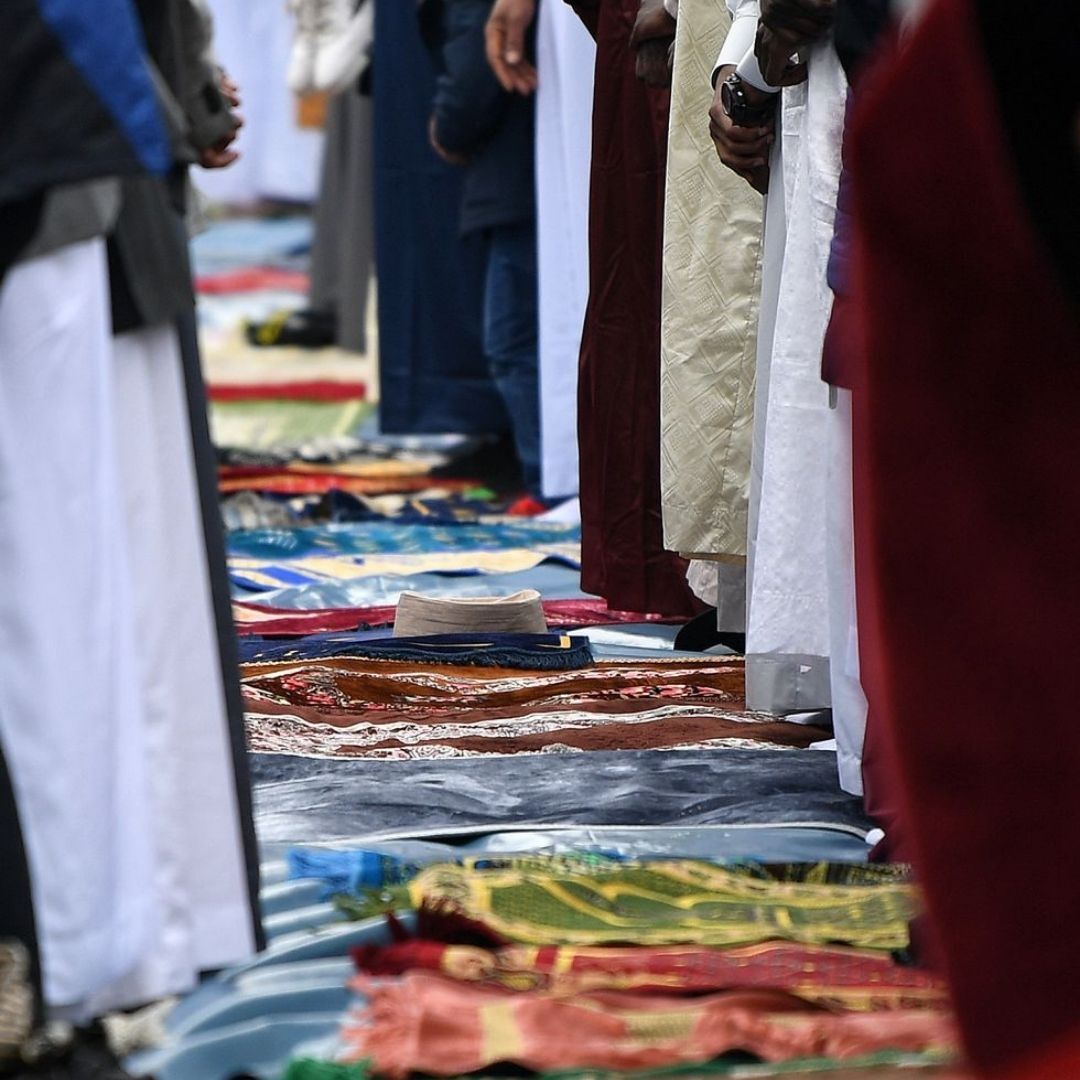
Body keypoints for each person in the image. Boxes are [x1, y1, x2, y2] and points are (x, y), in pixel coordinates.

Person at [428, 0, 543, 498]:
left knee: (516, 343)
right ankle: (551, 474)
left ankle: (549, 478)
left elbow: (477, 69)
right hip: (525, 175)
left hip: (516, 179)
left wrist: (446, 128)